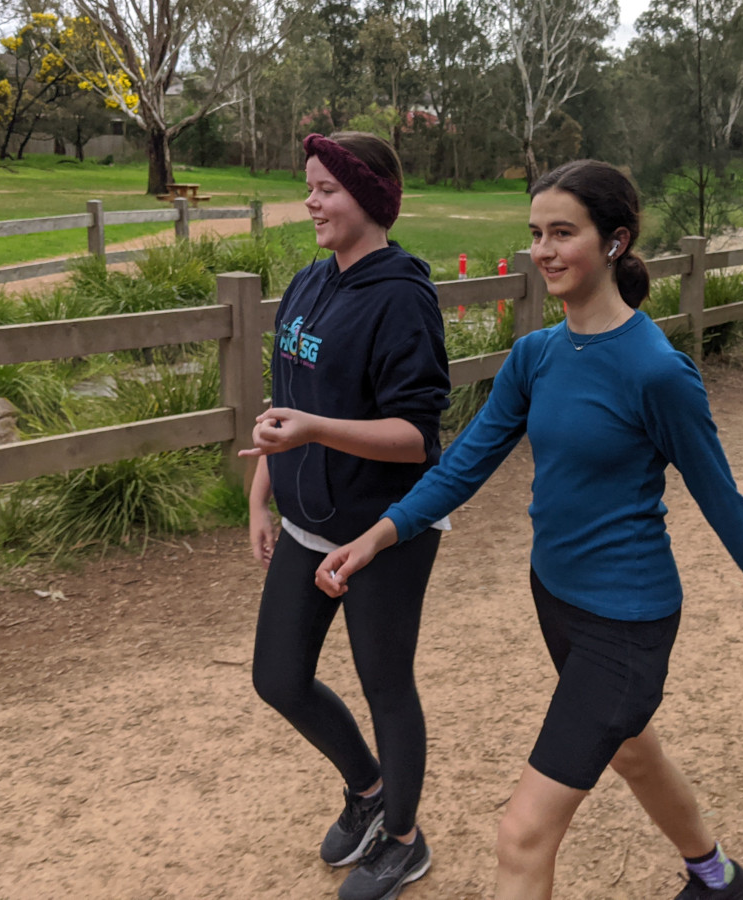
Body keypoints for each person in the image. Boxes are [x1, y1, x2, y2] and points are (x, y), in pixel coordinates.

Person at [313, 159, 743, 900]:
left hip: (627, 623)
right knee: (632, 752)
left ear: (614, 242)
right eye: (535, 234)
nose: (545, 251)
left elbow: (722, 498)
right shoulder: (537, 356)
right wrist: (379, 535)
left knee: (523, 835)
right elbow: (464, 466)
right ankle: (718, 879)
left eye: (564, 232)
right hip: (555, 598)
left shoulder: (658, 372)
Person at [239, 131, 451, 900]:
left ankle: (403, 839)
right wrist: (263, 492)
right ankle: (368, 791)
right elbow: (285, 407)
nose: (311, 200)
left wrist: (315, 433)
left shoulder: (403, 299)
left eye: (327, 187)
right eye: (311, 186)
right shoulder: (307, 283)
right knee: (278, 677)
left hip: (384, 531)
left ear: (370, 197)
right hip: (306, 521)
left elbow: (415, 438)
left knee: (386, 684)